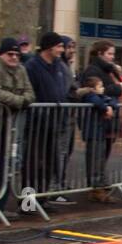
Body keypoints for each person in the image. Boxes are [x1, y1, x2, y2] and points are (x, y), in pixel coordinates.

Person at [0, 37, 33, 217]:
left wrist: (20, 100)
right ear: (1, 53)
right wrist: (19, 101)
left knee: (4, 165)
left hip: (9, 126)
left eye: (16, 54)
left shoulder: (21, 70)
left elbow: (30, 93)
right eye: (9, 54)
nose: (13, 57)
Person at [23, 32, 74, 204]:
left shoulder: (59, 66)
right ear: (49, 47)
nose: (62, 50)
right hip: (36, 124)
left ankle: (43, 200)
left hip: (54, 123)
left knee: (48, 165)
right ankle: (28, 203)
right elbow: (30, 93)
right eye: (59, 46)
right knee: (32, 166)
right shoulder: (32, 66)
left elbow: (66, 90)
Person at [75, 73, 117, 201]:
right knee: (94, 160)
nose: (103, 88)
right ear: (93, 88)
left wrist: (109, 106)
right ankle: (94, 188)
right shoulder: (88, 96)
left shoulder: (100, 96)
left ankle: (99, 186)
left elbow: (113, 101)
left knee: (100, 159)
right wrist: (105, 108)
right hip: (93, 133)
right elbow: (96, 101)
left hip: (101, 132)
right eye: (100, 86)